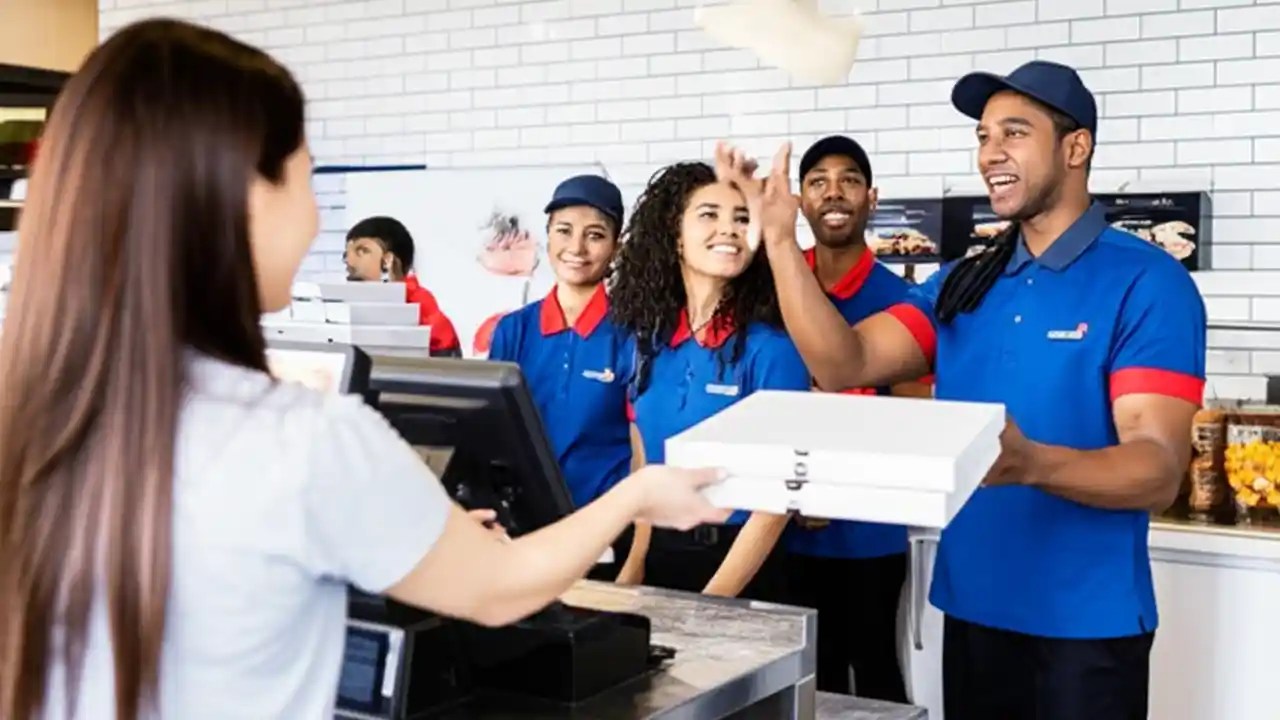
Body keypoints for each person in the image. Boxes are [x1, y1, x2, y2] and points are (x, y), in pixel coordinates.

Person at [0, 20, 728, 720]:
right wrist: (637, 496)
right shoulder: (304, 440)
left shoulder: (31, 416)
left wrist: (405, 526)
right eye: (305, 178)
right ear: (243, 199)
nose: (319, 221)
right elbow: (499, 590)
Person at [718, 59, 1205, 720]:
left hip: (1086, 629)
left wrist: (1032, 463)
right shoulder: (963, 282)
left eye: (1013, 133)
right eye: (981, 137)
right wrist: (778, 240)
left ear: (1076, 147)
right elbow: (844, 362)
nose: (989, 154)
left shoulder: (1147, 282)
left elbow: (1157, 468)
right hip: (972, 611)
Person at [609, 161, 812, 601]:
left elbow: (776, 497)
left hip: (740, 563)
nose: (730, 229)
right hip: (662, 552)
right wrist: (635, 564)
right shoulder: (649, 341)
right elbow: (646, 462)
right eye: (709, 215)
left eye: (742, 218)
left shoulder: (772, 347)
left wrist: (713, 600)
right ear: (673, 233)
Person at [783, 135, 919, 702]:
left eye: (848, 180)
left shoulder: (900, 299)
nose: (833, 193)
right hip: (783, 531)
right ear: (800, 201)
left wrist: (837, 489)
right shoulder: (778, 293)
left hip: (869, 534)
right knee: (809, 682)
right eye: (818, 181)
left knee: (874, 678)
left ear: (871, 198)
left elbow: (915, 424)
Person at [487, 175, 636, 578]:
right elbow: (491, 434)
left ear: (616, 247)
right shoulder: (513, 331)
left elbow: (642, 451)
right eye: (564, 231)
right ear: (547, 237)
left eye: (595, 235)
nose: (577, 248)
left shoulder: (633, 335)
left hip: (604, 536)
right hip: (523, 533)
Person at [345, 215, 462, 356]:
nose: (348, 260)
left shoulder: (420, 309)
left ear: (388, 260)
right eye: (346, 253)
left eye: (362, 251)